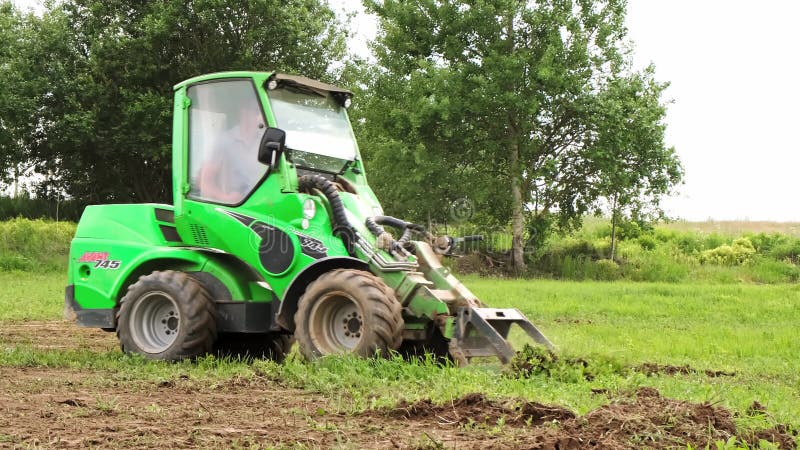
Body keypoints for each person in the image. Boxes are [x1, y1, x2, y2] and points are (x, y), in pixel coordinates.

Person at [196, 101, 267, 203]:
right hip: (238, 209)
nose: (262, 117)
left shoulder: (265, 142)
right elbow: (203, 182)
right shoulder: (225, 140)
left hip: (263, 206)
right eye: (257, 111)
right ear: (245, 113)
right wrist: (224, 198)